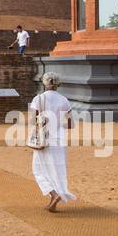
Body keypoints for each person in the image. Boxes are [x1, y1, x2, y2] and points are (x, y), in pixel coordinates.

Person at [29, 73, 75, 211]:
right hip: (59, 139)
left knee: (38, 169)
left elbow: (33, 121)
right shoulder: (64, 100)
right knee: (57, 169)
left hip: (44, 139)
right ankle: (57, 194)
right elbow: (70, 124)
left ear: (44, 83)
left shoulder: (38, 99)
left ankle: (54, 194)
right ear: (58, 84)